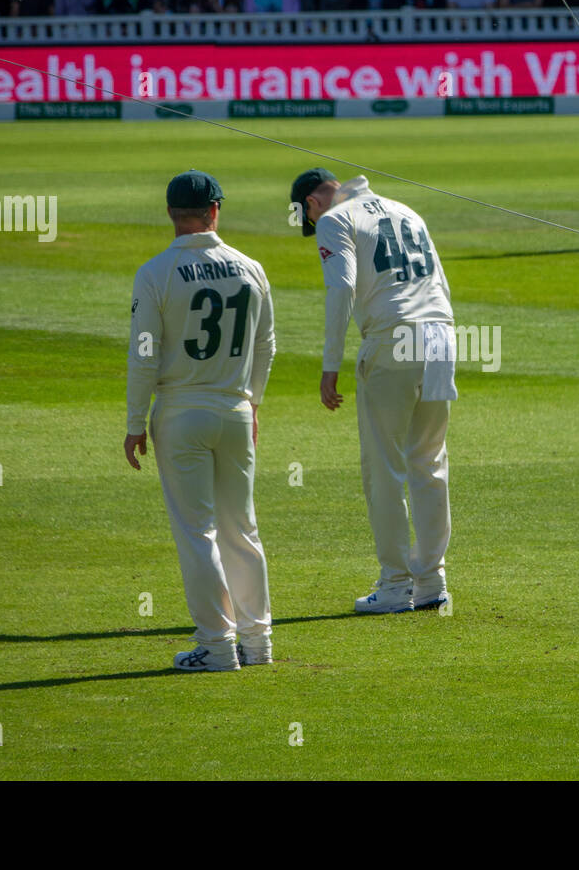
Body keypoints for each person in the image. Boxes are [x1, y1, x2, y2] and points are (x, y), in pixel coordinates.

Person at [126, 170, 276, 672]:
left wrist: (134, 421)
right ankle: (258, 643)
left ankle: (216, 646)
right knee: (242, 529)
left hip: (182, 411)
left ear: (171, 213)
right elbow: (265, 344)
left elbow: (144, 354)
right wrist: (252, 402)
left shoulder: (155, 272)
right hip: (235, 411)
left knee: (198, 533)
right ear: (215, 210)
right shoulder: (250, 267)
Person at [291, 168, 453, 615]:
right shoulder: (407, 209)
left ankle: (396, 583)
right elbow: (440, 283)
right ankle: (432, 581)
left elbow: (340, 286)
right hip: (441, 333)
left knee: (384, 467)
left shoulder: (334, 219)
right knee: (429, 463)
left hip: (393, 336)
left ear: (310, 204)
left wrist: (330, 364)